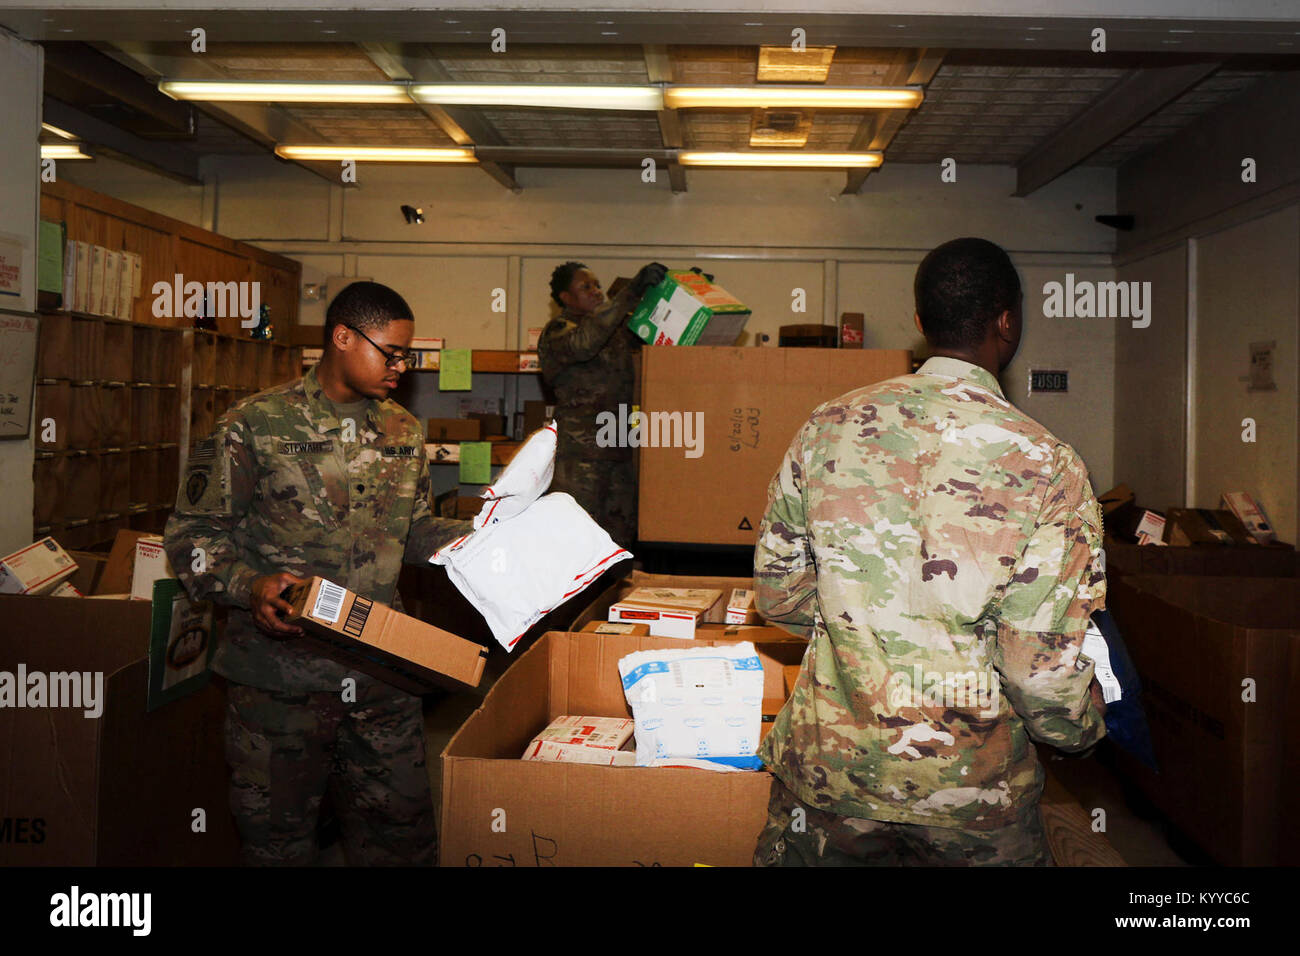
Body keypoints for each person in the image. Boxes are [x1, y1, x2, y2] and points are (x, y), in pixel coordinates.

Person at [752, 237, 1108, 867]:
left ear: (920, 323)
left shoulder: (825, 427)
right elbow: (1040, 674)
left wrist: (862, 633)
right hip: (973, 797)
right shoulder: (1048, 465)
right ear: (1008, 320)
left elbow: (779, 593)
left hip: (833, 780)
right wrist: (1082, 731)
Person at [163, 281, 471, 866]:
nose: (402, 368)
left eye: (409, 356)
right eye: (393, 352)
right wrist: (248, 585)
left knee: (401, 843)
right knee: (278, 846)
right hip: (279, 685)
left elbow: (415, 532)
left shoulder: (404, 431)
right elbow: (190, 538)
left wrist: (481, 539)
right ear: (343, 337)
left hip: (381, 673)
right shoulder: (253, 425)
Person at [538, 260, 666, 549]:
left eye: (597, 285)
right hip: (580, 457)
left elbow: (657, 334)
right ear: (565, 298)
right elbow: (585, 343)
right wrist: (631, 290)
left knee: (619, 540)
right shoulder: (559, 332)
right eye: (586, 287)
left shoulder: (613, 331)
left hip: (619, 452)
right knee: (577, 538)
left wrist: (680, 295)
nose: (596, 291)